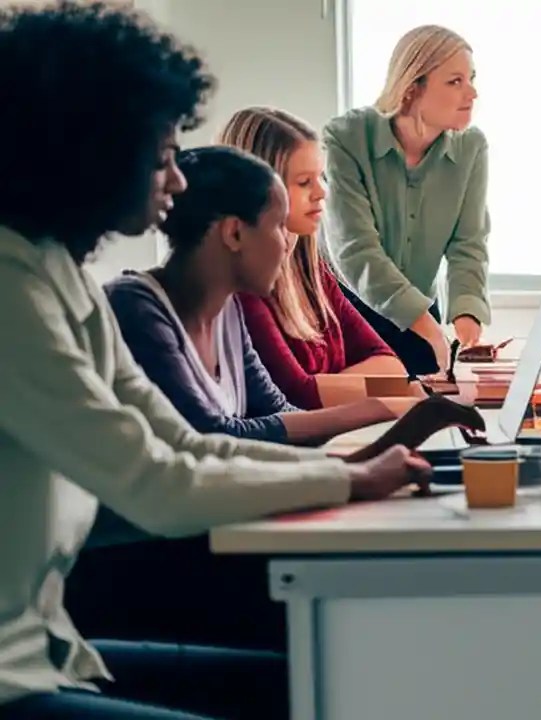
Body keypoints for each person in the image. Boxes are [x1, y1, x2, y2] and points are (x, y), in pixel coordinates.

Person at [0, 3, 427, 718]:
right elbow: (157, 482)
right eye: (163, 157)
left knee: (316, 677)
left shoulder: (57, 271)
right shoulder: (14, 293)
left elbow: (186, 441)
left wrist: (353, 471)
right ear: (94, 151)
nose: (175, 184)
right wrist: (351, 482)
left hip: (51, 649)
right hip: (17, 679)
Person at [106, 146, 418, 446]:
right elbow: (213, 435)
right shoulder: (137, 307)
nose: (287, 243)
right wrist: (388, 409)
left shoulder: (227, 310)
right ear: (235, 233)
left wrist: (403, 413)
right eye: (280, 225)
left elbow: (281, 413)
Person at [323, 24, 489, 375]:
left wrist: (467, 317)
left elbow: (468, 244)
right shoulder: (345, 138)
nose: (472, 93)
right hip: (347, 314)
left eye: (472, 78)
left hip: (418, 311)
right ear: (413, 88)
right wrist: (430, 329)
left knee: (436, 407)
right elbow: (356, 251)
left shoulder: (472, 148)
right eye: (455, 81)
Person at [218, 106, 409, 410]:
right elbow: (298, 396)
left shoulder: (310, 269)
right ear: (263, 190)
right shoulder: (240, 287)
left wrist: (329, 386)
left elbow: (392, 367)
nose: (322, 193)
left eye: (320, 178)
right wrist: (350, 386)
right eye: (304, 182)